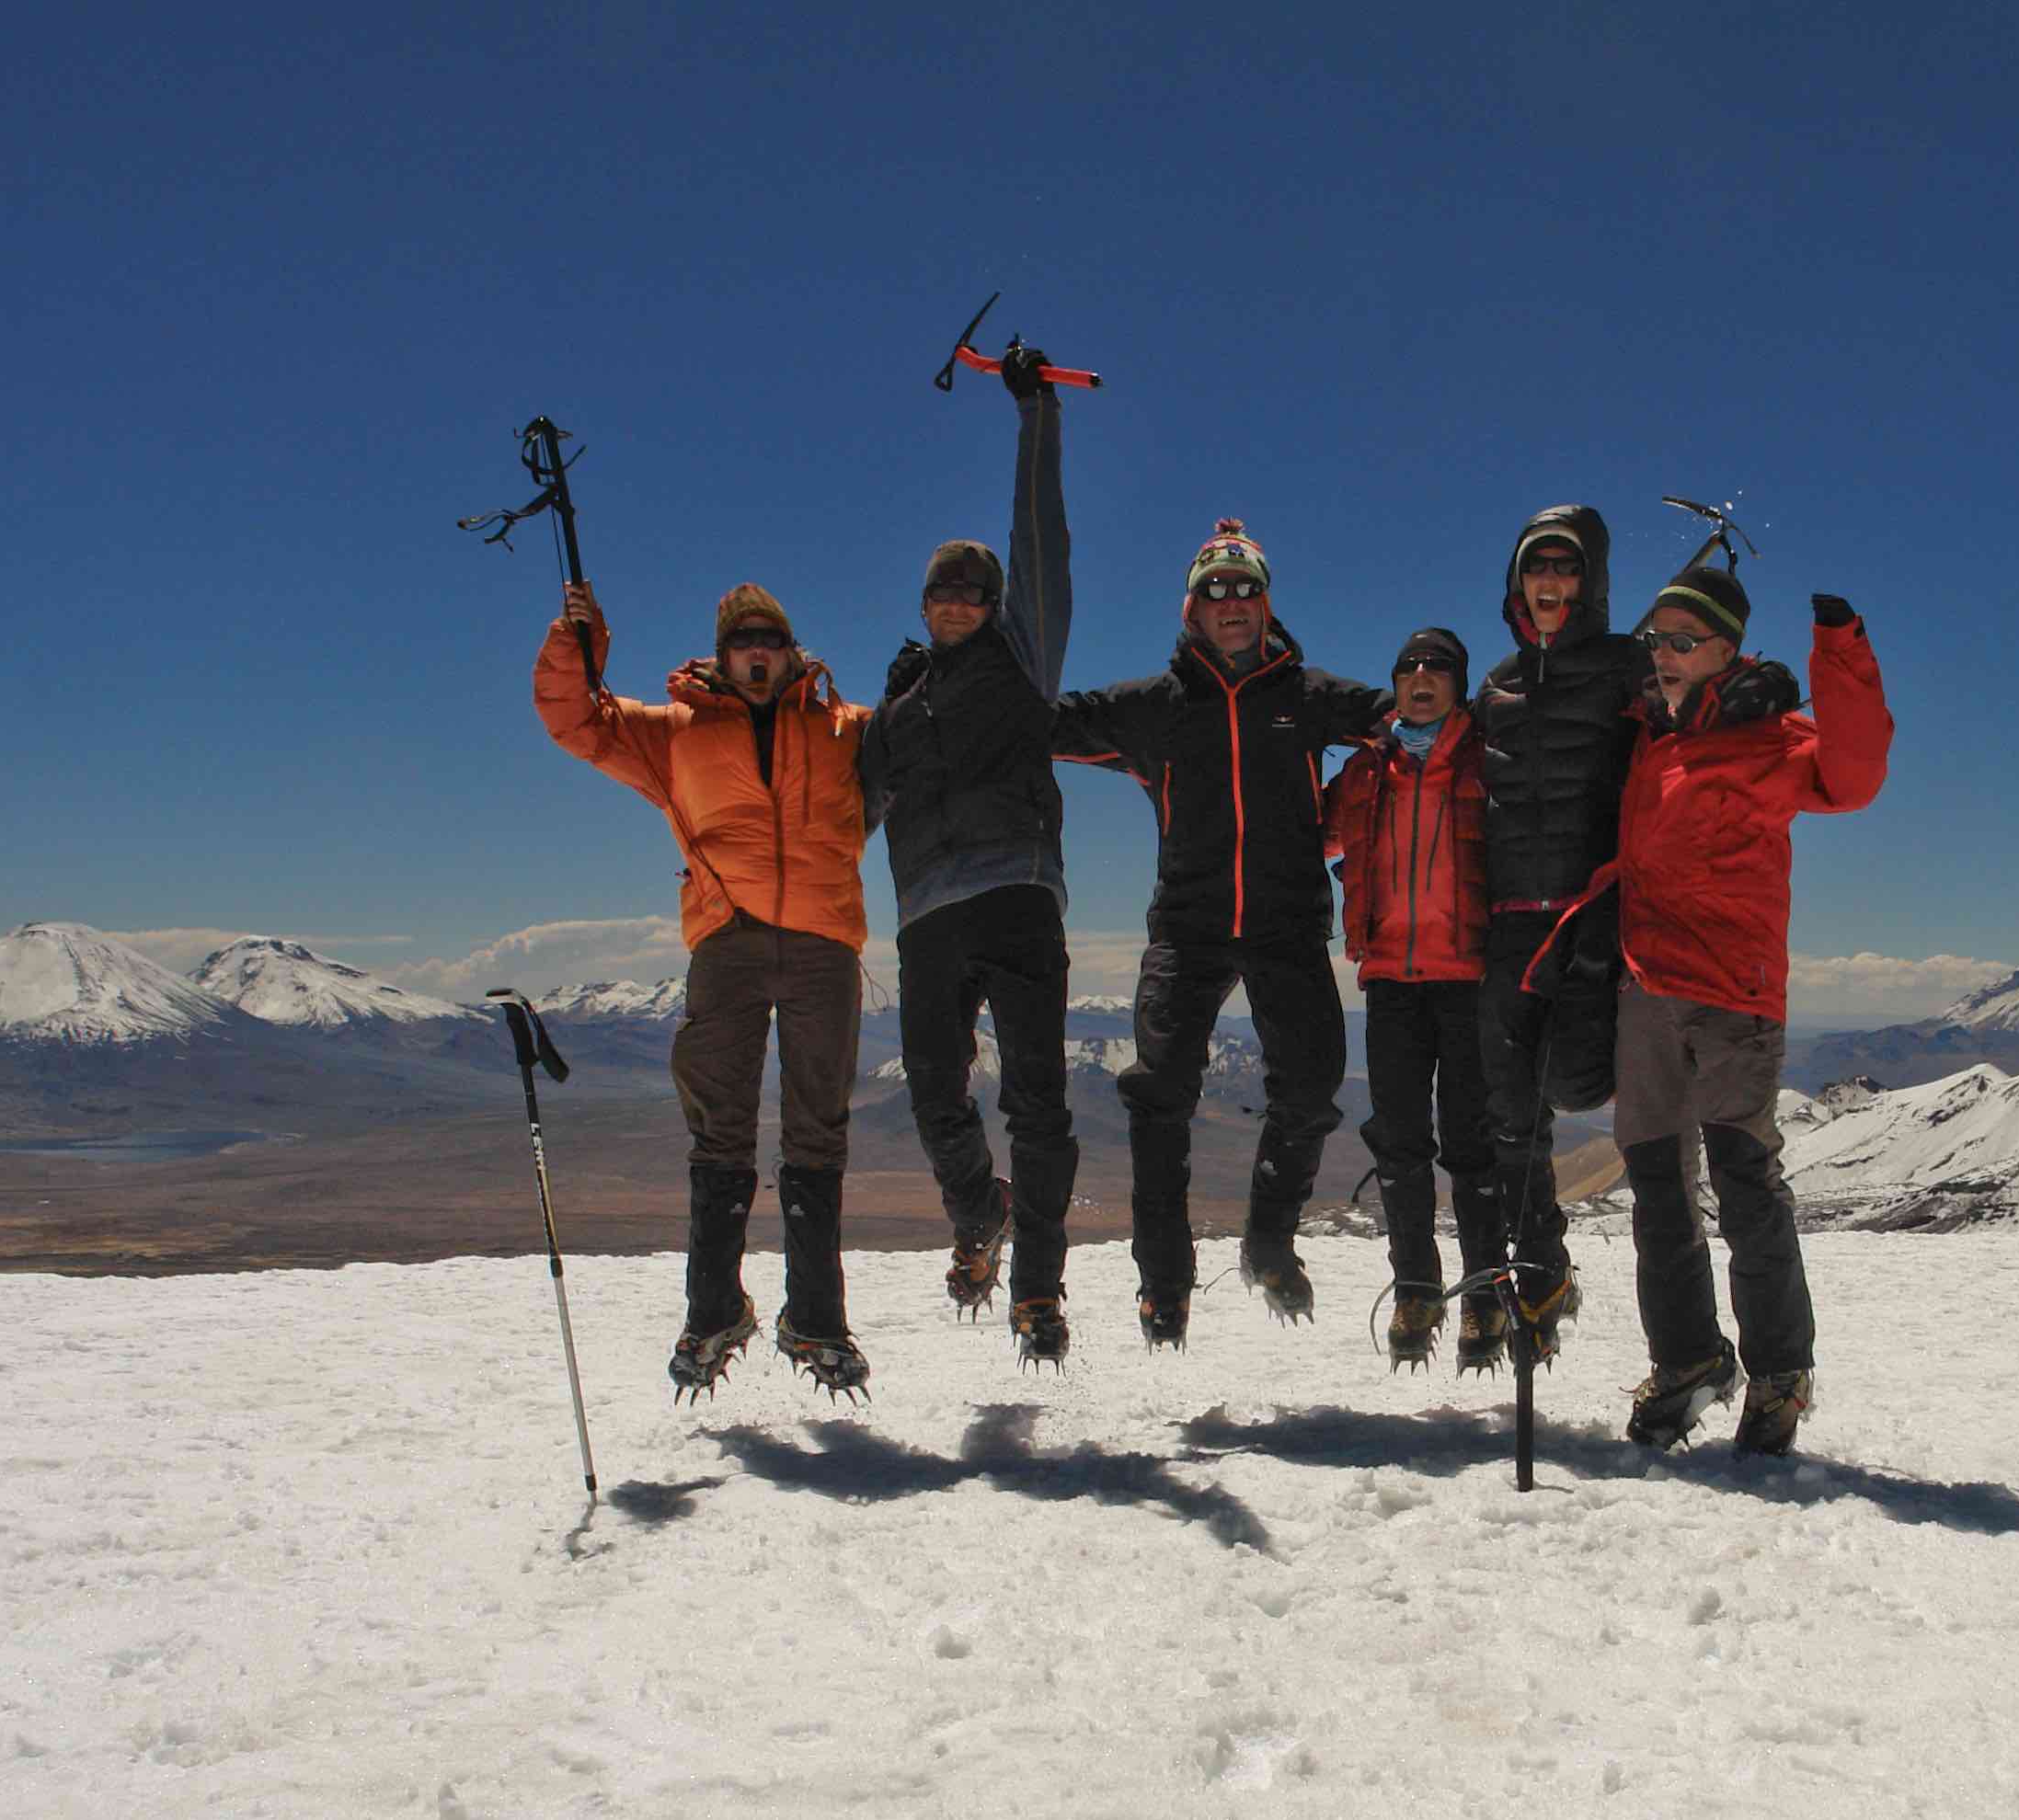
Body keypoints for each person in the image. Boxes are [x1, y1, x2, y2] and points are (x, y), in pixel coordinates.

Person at [1535, 567, 1890, 1455]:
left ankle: (1780, 1373)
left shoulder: (1767, 735)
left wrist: (1839, 651)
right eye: (1656, 638)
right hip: (1645, 991)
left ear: (1727, 650)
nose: (1663, 653)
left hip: (1733, 993)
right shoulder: (1650, 737)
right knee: (1657, 1186)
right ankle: (1689, 1358)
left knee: (1743, 1182)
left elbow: (1853, 778)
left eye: (1683, 640)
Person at [535, 578, 877, 1400]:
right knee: (720, 1129)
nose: (758, 651)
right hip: (728, 939)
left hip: (825, 944)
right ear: (721, 656)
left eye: (771, 639)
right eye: (742, 641)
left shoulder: (844, 727)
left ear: (792, 651)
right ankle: (714, 1311)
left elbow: (928, 743)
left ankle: (816, 1319)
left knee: (818, 1131)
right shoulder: (675, 731)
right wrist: (578, 642)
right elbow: (577, 720)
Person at [1053, 520, 1390, 1346]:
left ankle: (1268, 1240)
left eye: (1246, 589)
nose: (1231, 602)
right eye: (1215, 590)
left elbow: (1407, 712)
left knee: (1311, 1087)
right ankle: (1165, 1282)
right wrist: (958, 695)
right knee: (1160, 1092)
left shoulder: (1305, 695)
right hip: (1189, 926)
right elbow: (1050, 724)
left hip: (1287, 924)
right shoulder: (1159, 706)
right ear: (1193, 609)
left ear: (1266, 605)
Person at [862, 345, 1081, 1367]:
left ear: (994, 601)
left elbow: (1040, 543)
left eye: (973, 590)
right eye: (942, 591)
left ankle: (1037, 1285)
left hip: (1017, 893)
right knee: (933, 1090)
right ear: (922, 604)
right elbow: (840, 809)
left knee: (1036, 1097)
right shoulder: (894, 710)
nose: (956, 602)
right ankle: (979, 1209)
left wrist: (1036, 416)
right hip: (927, 916)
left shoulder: (1022, 659)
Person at [1466, 506, 1645, 1368]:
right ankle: (1542, 1266)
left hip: (1589, 913)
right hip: (1508, 921)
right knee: (1509, 1110)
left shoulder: (1627, 665)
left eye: (1566, 566)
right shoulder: (1497, 684)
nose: (1550, 581)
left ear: (1591, 580)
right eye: (1536, 565)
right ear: (1516, 581)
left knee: (1573, 1080)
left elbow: (1691, 711)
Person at [1321, 626, 1491, 1367]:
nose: (1421, 678)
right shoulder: (1366, 771)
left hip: (1470, 978)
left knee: (1473, 1144)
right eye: (1408, 668)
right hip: (1390, 978)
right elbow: (1314, 834)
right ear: (1394, 685)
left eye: (1437, 668)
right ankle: (1417, 1287)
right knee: (1399, 1143)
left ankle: (1484, 1293)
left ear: (1459, 685)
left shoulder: (1487, 760)